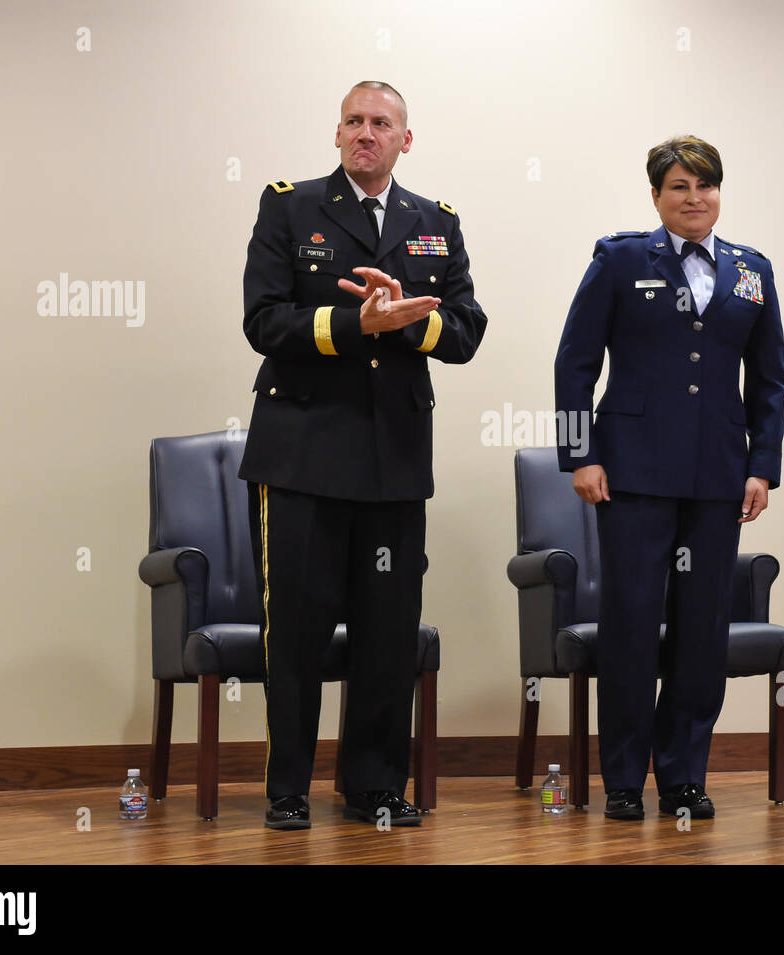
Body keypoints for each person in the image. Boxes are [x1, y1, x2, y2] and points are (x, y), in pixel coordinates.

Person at [237, 81, 486, 829]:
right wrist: (357, 322)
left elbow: (467, 331)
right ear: (337, 134)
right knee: (299, 634)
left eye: (381, 123)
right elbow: (263, 321)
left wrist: (410, 323)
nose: (365, 133)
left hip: (393, 460)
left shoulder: (434, 224)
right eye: (353, 122)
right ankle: (287, 788)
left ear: (405, 139)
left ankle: (375, 784)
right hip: (303, 457)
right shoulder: (290, 206)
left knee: (388, 630)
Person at [553, 135, 784, 821]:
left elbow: (768, 380)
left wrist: (762, 467)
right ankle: (624, 777)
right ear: (656, 196)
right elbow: (575, 362)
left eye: (706, 186)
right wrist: (580, 456)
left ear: (720, 193)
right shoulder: (622, 258)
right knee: (629, 623)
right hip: (631, 474)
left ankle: (683, 772)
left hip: (716, 476)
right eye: (680, 187)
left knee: (701, 627)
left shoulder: (752, 271)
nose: (695, 199)